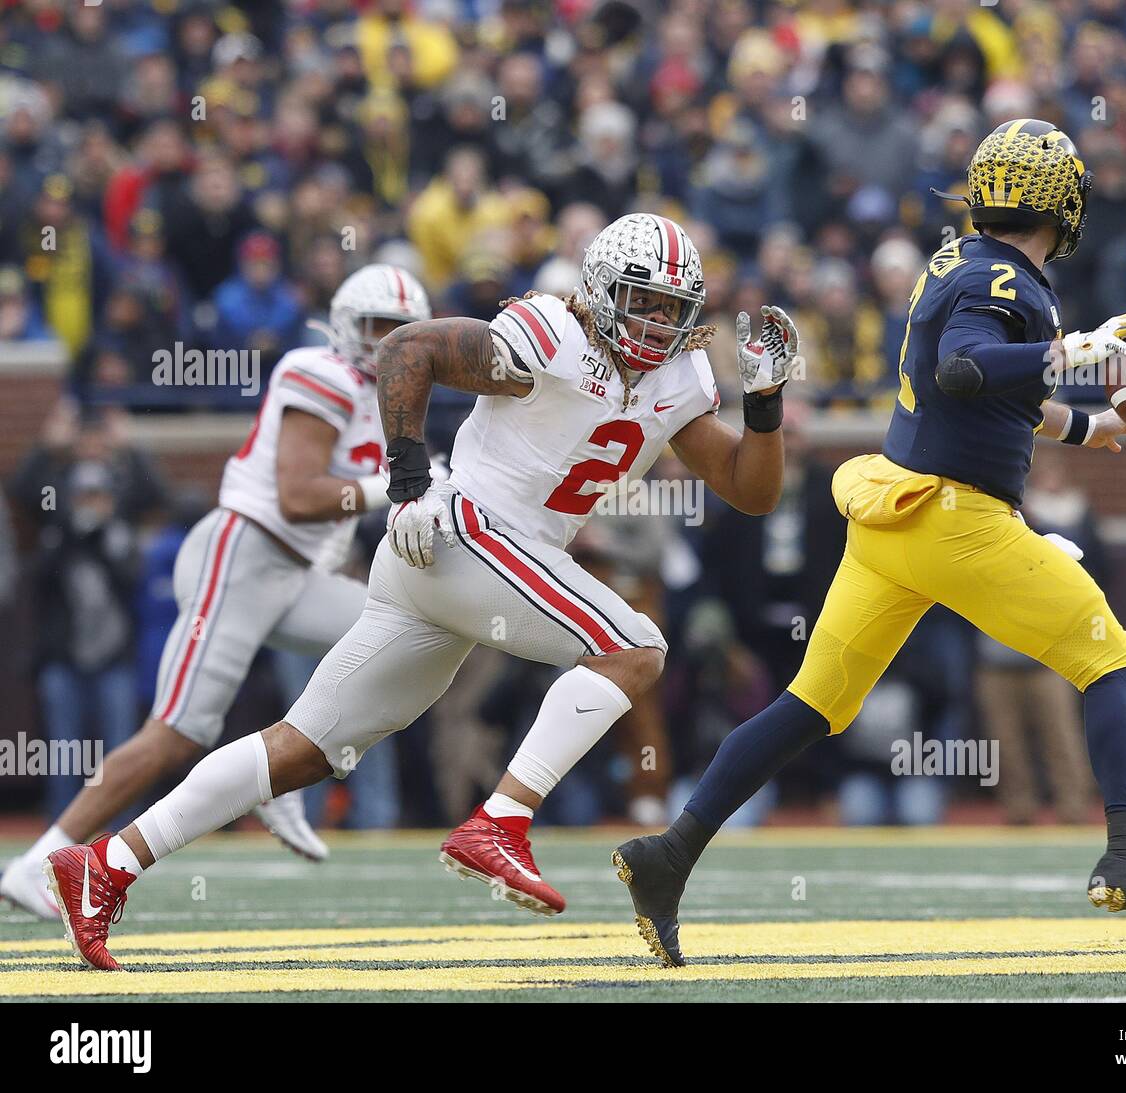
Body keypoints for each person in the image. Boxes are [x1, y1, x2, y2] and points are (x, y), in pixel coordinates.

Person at [43, 213, 800, 971]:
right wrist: (408, 484)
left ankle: (105, 865)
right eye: (644, 300)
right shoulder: (553, 333)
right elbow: (409, 348)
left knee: (304, 749)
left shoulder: (676, 380)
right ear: (601, 289)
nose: (658, 321)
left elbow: (749, 489)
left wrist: (762, 407)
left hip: (474, 566)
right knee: (635, 646)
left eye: (673, 308)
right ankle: (500, 819)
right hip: (462, 531)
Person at [613, 119, 1126, 967]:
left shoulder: (965, 264)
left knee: (810, 705)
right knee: (1116, 661)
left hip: (892, 517)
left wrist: (1084, 427)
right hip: (953, 520)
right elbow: (967, 368)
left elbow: (979, 392)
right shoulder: (1008, 280)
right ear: (1059, 198)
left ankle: (668, 854)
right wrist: (1071, 350)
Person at [0, 264, 428, 920]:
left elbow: (340, 518)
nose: (385, 341)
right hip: (243, 555)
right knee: (177, 731)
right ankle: (41, 856)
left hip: (292, 574)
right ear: (344, 322)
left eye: (400, 330)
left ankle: (283, 763)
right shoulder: (319, 372)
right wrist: (401, 488)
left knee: (401, 637)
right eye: (375, 326)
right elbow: (297, 494)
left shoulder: (388, 399)